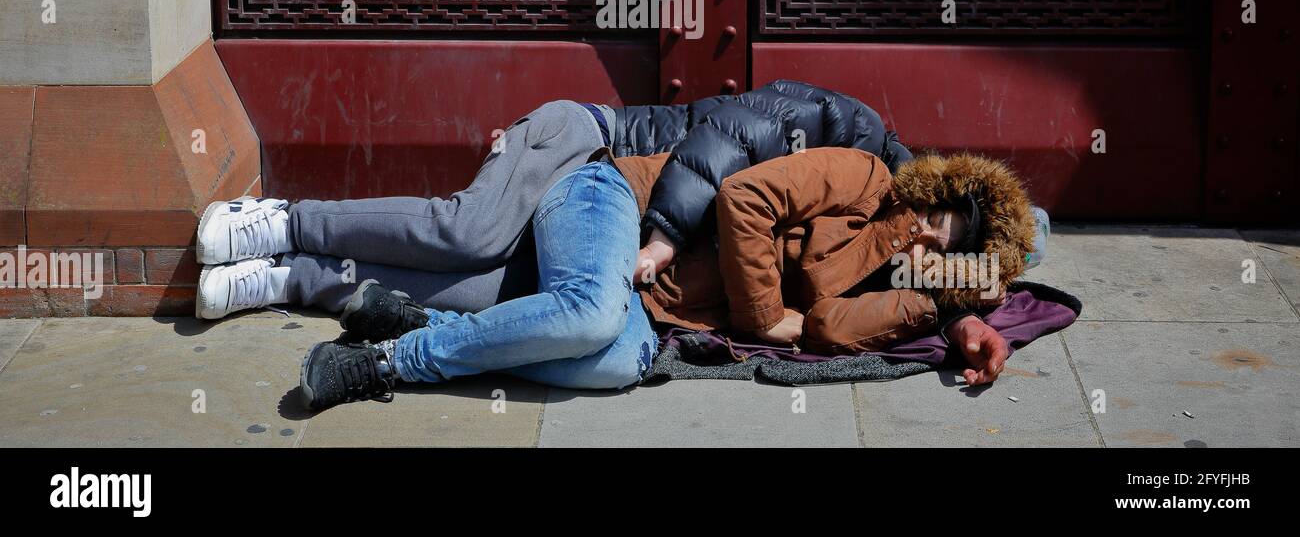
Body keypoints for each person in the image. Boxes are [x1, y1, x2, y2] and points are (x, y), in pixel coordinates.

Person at [294, 144, 1036, 409]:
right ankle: (388, 363)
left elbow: (824, 328)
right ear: (937, 189)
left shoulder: (897, 287)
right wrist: (760, 314)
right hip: (619, 202)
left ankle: (421, 324)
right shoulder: (865, 175)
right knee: (588, 316)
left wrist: (929, 301)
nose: (937, 238)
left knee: (615, 364)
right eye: (945, 219)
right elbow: (746, 197)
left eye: (954, 248)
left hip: (657, 310)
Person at [193, 80, 913, 320]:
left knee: (484, 295)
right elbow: (726, 138)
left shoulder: (867, 237)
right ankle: (282, 220)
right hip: (586, 141)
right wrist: (664, 237)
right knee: (471, 233)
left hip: (598, 221)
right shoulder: (850, 132)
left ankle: (289, 277)